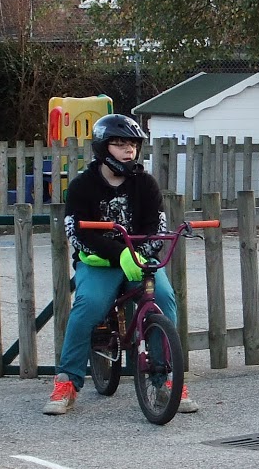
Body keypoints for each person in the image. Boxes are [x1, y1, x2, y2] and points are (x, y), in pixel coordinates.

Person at [44, 113, 198, 415]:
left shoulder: (146, 184)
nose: (129, 150)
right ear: (103, 147)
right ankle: (67, 382)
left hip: (140, 259)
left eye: (134, 144)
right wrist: (118, 254)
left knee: (164, 299)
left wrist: (139, 254)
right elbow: (77, 232)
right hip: (99, 262)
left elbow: (156, 226)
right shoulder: (81, 186)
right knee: (88, 305)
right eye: (120, 143)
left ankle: (165, 379)